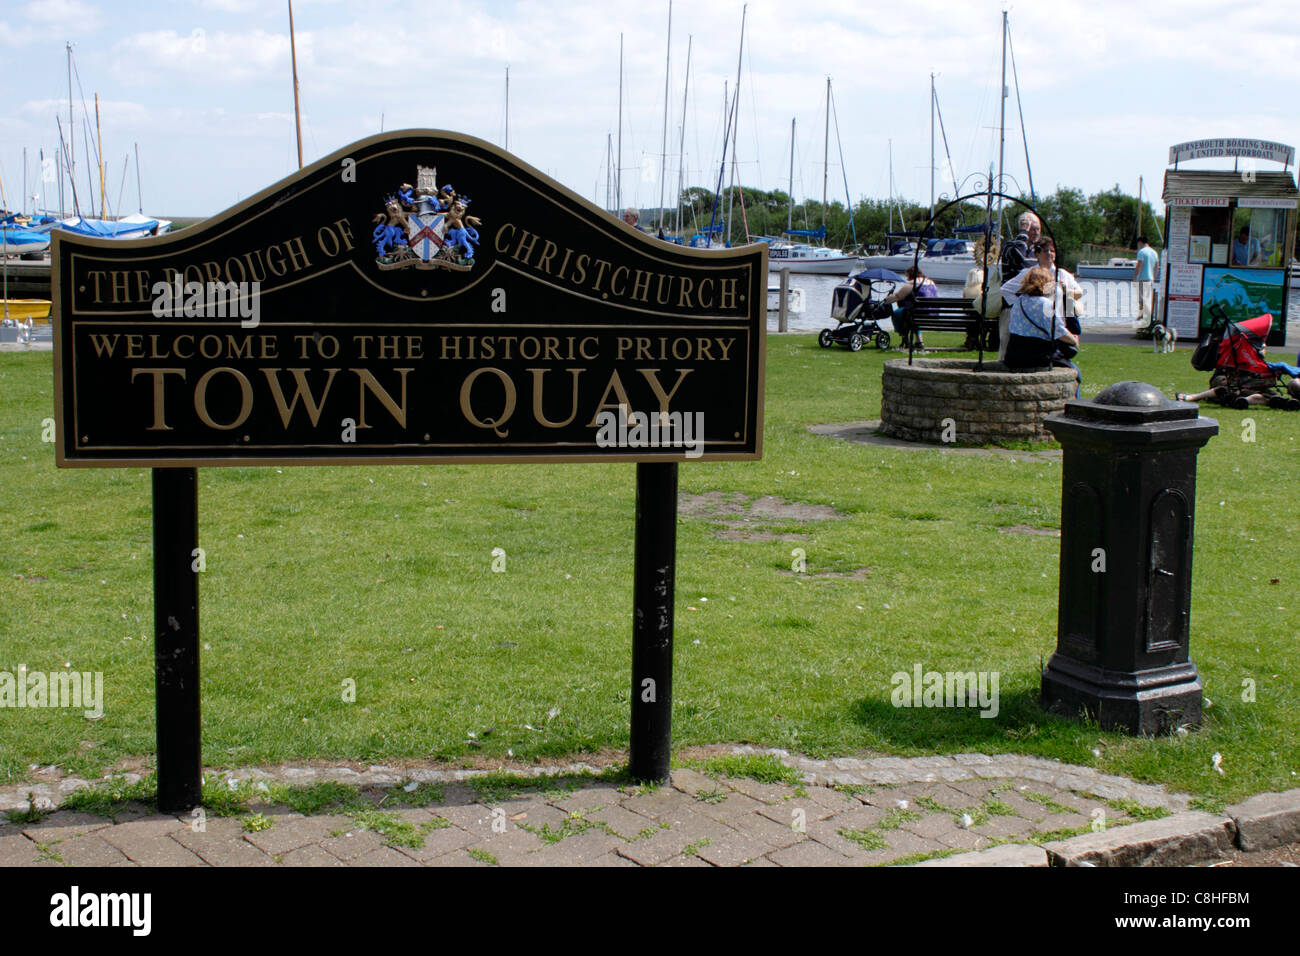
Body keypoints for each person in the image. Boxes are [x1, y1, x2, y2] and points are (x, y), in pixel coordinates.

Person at [1002, 266, 1081, 394]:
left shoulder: (1019, 302)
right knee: (1076, 373)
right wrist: (1074, 341)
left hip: (1014, 355)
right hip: (1038, 355)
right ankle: (1075, 403)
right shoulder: (1046, 305)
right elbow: (1059, 332)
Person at [882, 265, 938, 349]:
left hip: (918, 313)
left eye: (907, 276)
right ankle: (919, 341)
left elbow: (897, 296)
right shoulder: (930, 281)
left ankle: (905, 338)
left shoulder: (913, 283)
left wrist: (883, 301)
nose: (907, 278)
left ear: (911, 275)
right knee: (911, 315)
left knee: (897, 314)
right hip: (933, 313)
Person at [1000, 211, 1040, 282]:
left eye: (1038, 229)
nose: (1036, 232)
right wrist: (1023, 233)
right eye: (1032, 229)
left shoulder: (1038, 249)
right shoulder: (1010, 246)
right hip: (1013, 291)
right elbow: (1020, 259)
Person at [1132, 236, 1160, 327]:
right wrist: (1154, 277)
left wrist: (1135, 277)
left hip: (1142, 278)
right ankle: (1145, 316)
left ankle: (1142, 316)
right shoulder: (1154, 252)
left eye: (1138, 244)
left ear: (1140, 242)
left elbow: (1139, 265)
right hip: (1150, 279)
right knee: (1146, 298)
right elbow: (1156, 266)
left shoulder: (1141, 252)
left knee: (1140, 299)